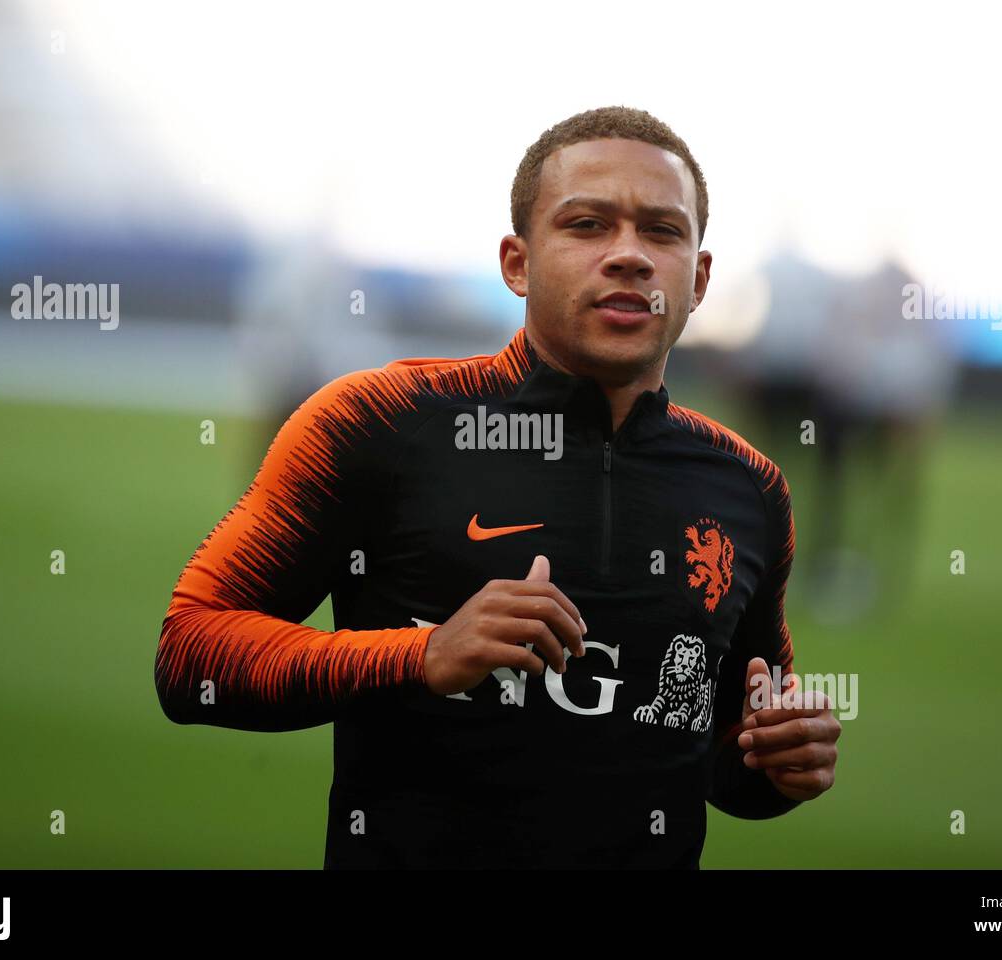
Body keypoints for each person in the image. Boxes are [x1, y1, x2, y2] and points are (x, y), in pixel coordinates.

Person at [155, 105, 841, 868]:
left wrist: (777, 765)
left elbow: (715, 759)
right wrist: (420, 657)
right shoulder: (378, 422)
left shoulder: (748, 491)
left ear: (700, 277)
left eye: (662, 231)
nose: (629, 256)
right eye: (587, 225)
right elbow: (191, 656)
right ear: (517, 263)